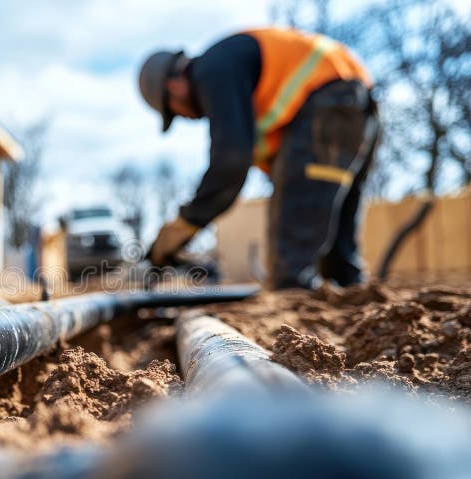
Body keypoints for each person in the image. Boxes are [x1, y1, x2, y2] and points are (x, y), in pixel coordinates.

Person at [139, 28, 379, 289]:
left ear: (173, 86)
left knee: (292, 270)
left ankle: (294, 314)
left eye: (173, 112)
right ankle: (356, 302)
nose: (185, 117)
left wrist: (184, 225)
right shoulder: (234, 70)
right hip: (358, 106)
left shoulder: (210, 71)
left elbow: (230, 163)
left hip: (329, 103)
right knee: (339, 258)